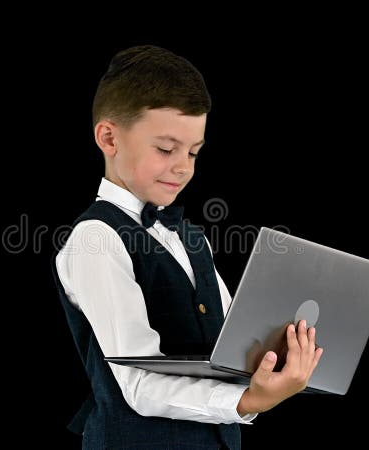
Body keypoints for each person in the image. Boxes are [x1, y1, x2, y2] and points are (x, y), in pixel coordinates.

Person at [51, 45, 323, 450]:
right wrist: (249, 400)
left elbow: (233, 345)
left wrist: (278, 361)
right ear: (109, 137)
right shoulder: (96, 239)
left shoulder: (191, 238)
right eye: (166, 149)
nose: (184, 167)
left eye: (194, 152)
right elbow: (139, 384)